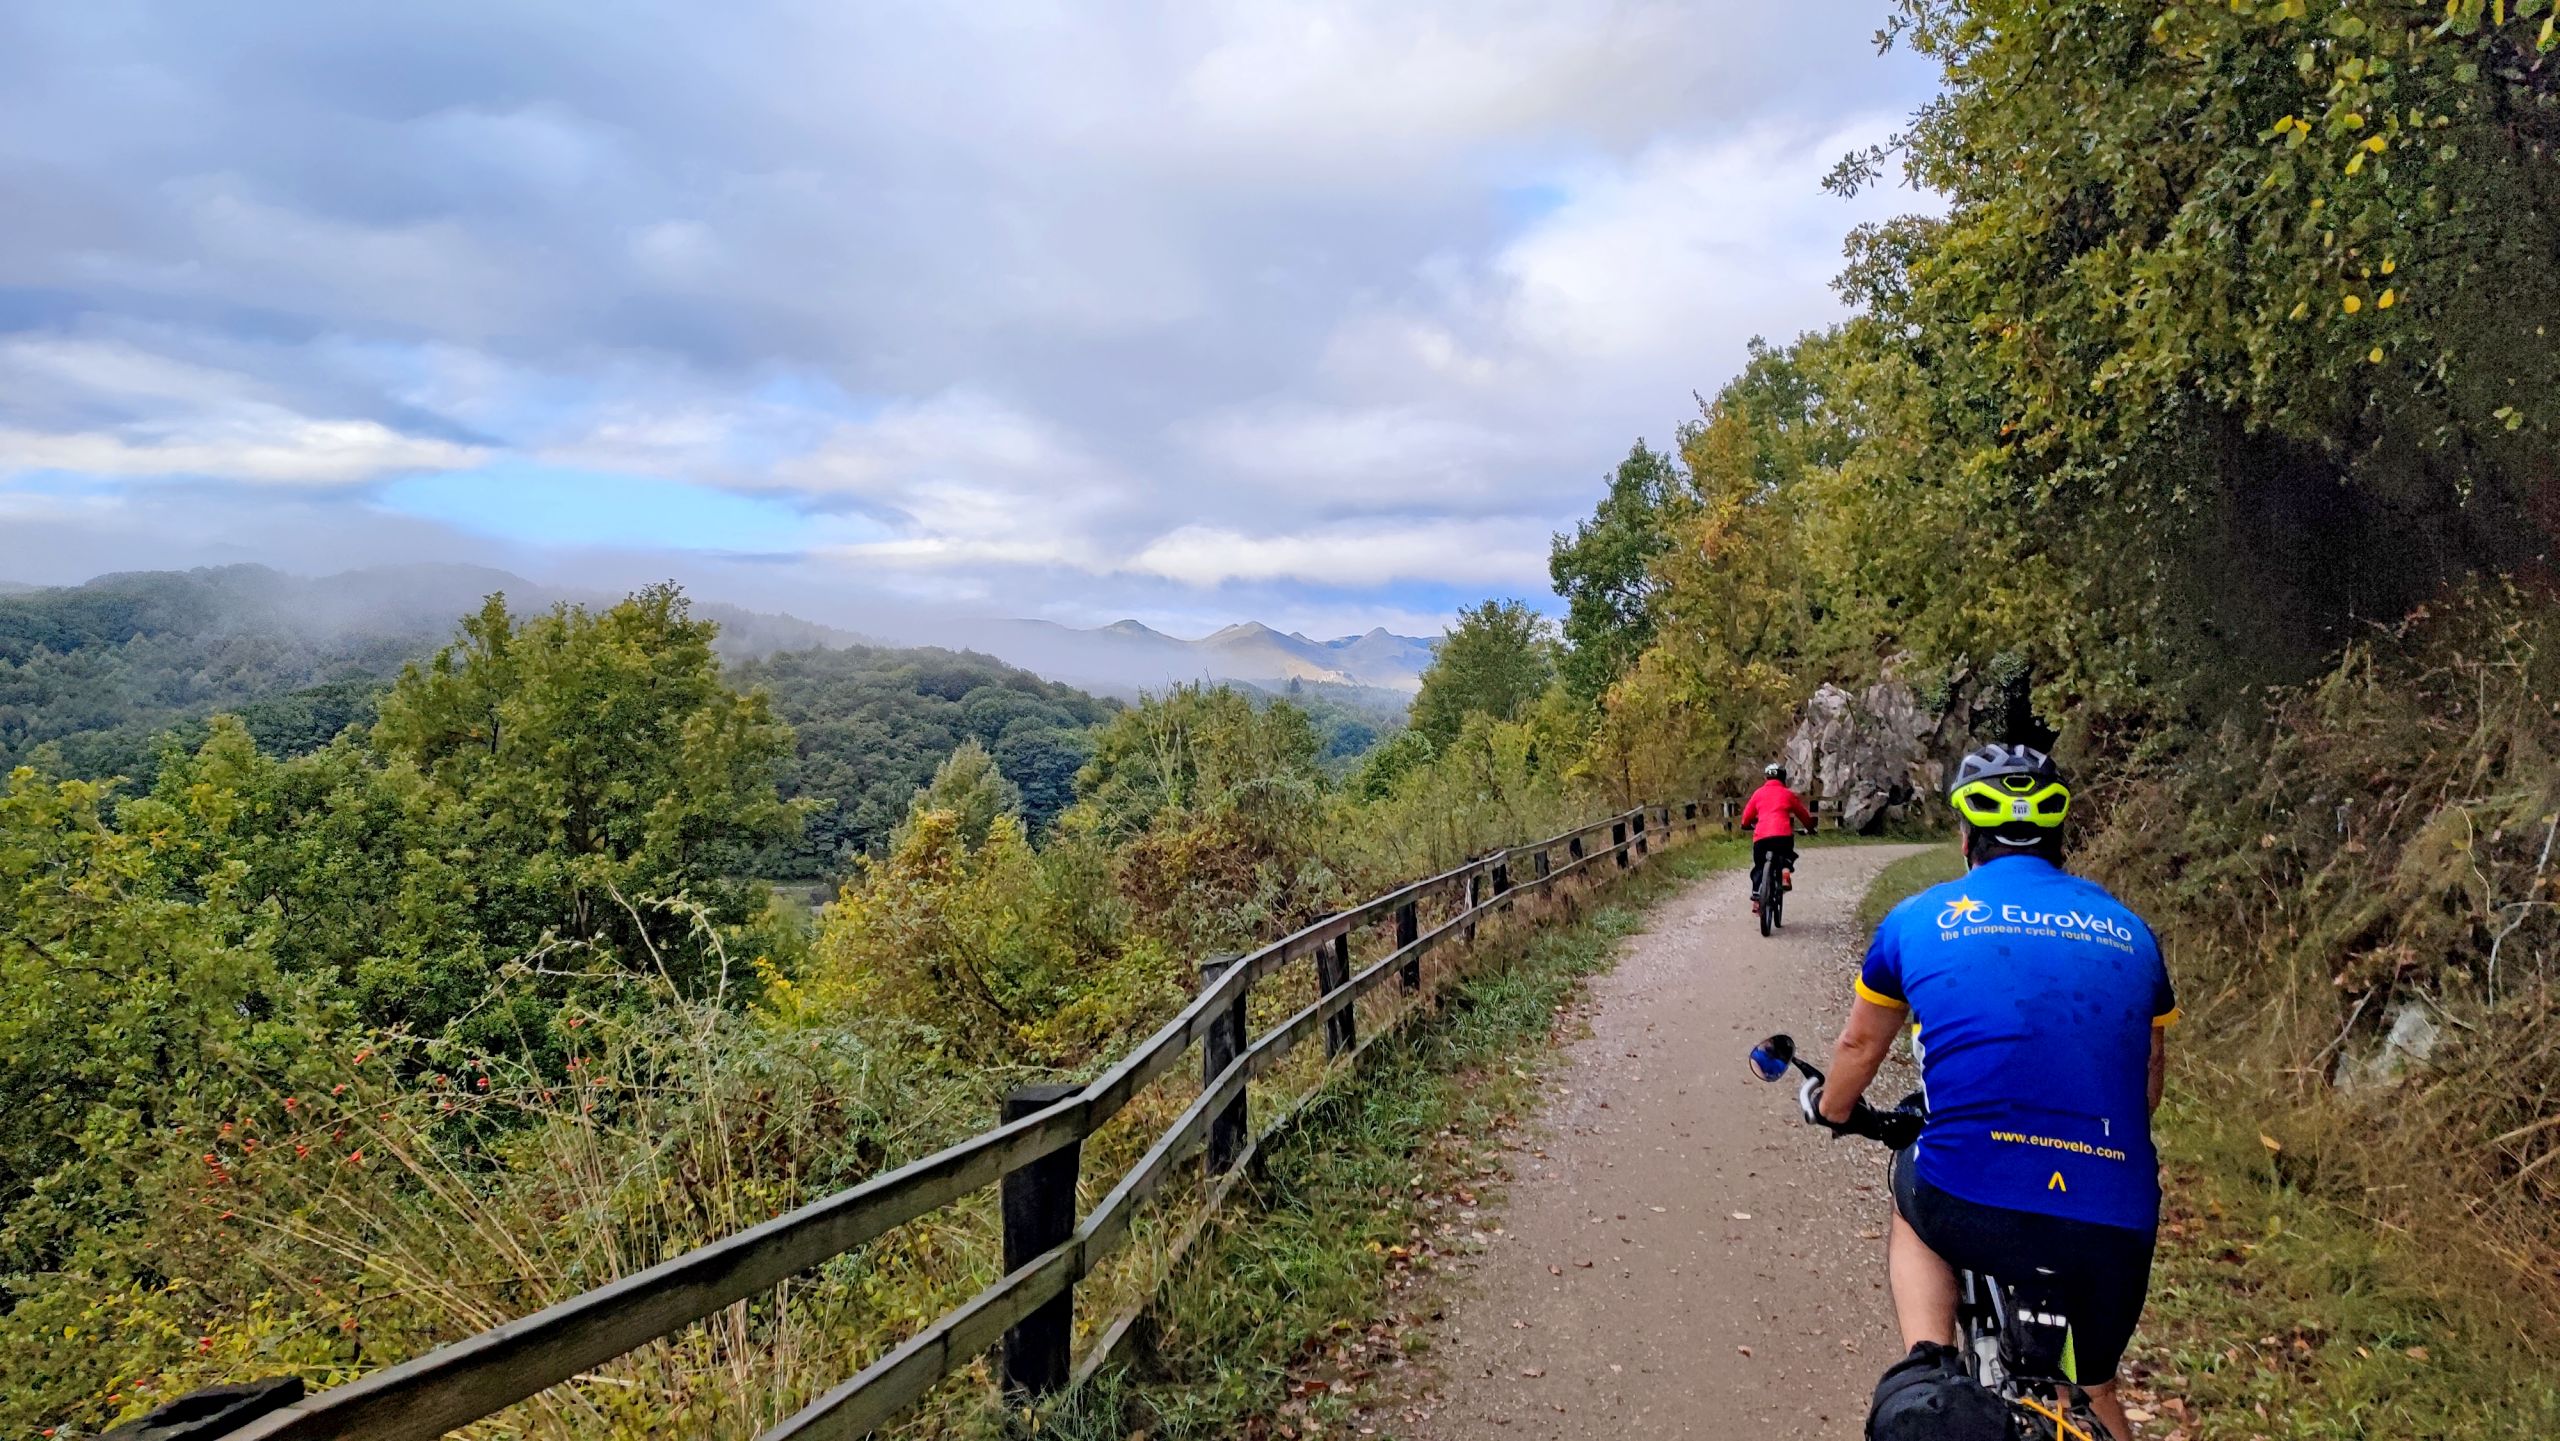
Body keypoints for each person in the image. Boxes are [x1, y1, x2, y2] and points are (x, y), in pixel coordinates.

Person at [1803, 744, 2174, 1441]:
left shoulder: (1919, 918)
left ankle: (1929, 1364)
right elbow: (2145, 1079)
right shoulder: (2131, 930)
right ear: (2061, 837)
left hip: (1969, 1199)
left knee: (1914, 1183)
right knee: (2092, 1387)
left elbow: (1858, 1046)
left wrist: (1833, 1108)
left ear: (1966, 837)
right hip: (2115, 1220)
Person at [1738, 762, 1815, 911]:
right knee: (1786, 854)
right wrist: (1810, 827)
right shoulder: (1788, 794)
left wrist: (1746, 825)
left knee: (1760, 866)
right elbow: (1802, 814)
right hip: (1782, 836)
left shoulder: (1758, 793)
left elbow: (1746, 817)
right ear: (1783, 777)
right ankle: (1785, 871)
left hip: (1761, 837)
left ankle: (1756, 897)